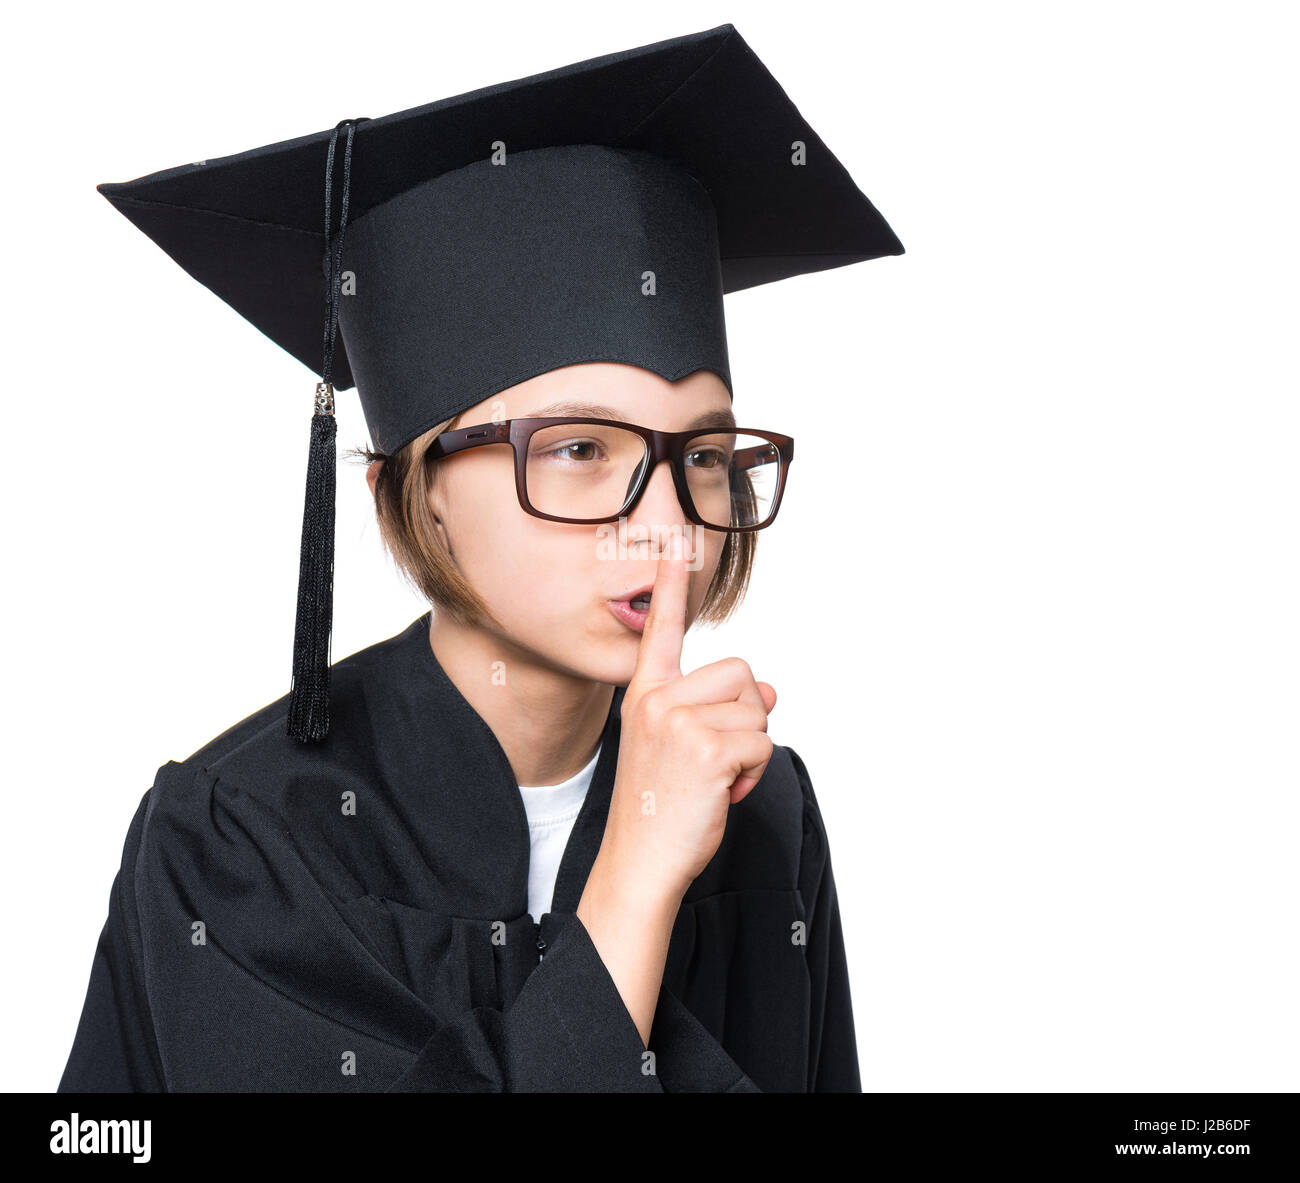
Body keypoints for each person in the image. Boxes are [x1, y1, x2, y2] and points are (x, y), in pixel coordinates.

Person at [57, 23, 903, 1092]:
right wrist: (635, 877)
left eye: (701, 453)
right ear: (411, 494)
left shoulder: (757, 809)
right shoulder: (241, 837)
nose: (668, 522)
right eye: (581, 449)